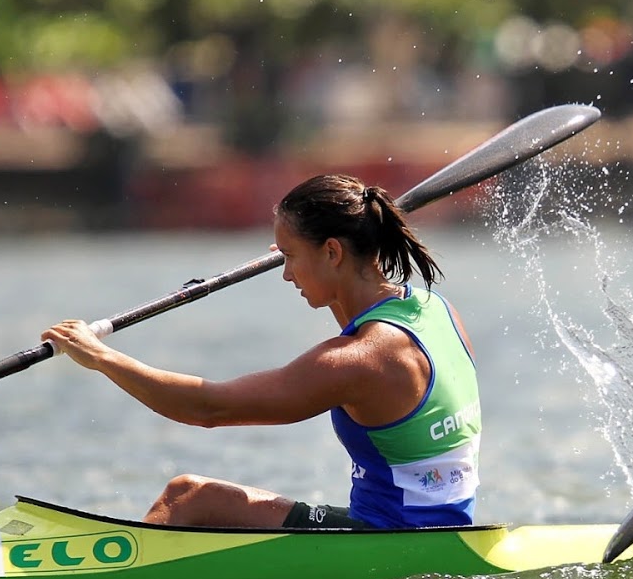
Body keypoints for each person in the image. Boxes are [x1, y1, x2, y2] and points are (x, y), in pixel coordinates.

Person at [42, 174, 481, 530]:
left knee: (188, 499)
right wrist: (307, 260)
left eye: (290, 258)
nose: (287, 274)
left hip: (389, 538)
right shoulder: (435, 311)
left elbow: (207, 408)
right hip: (445, 526)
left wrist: (100, 357)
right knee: (199, 496)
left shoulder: (357, 361)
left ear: (332, 252)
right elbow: (361, 313)